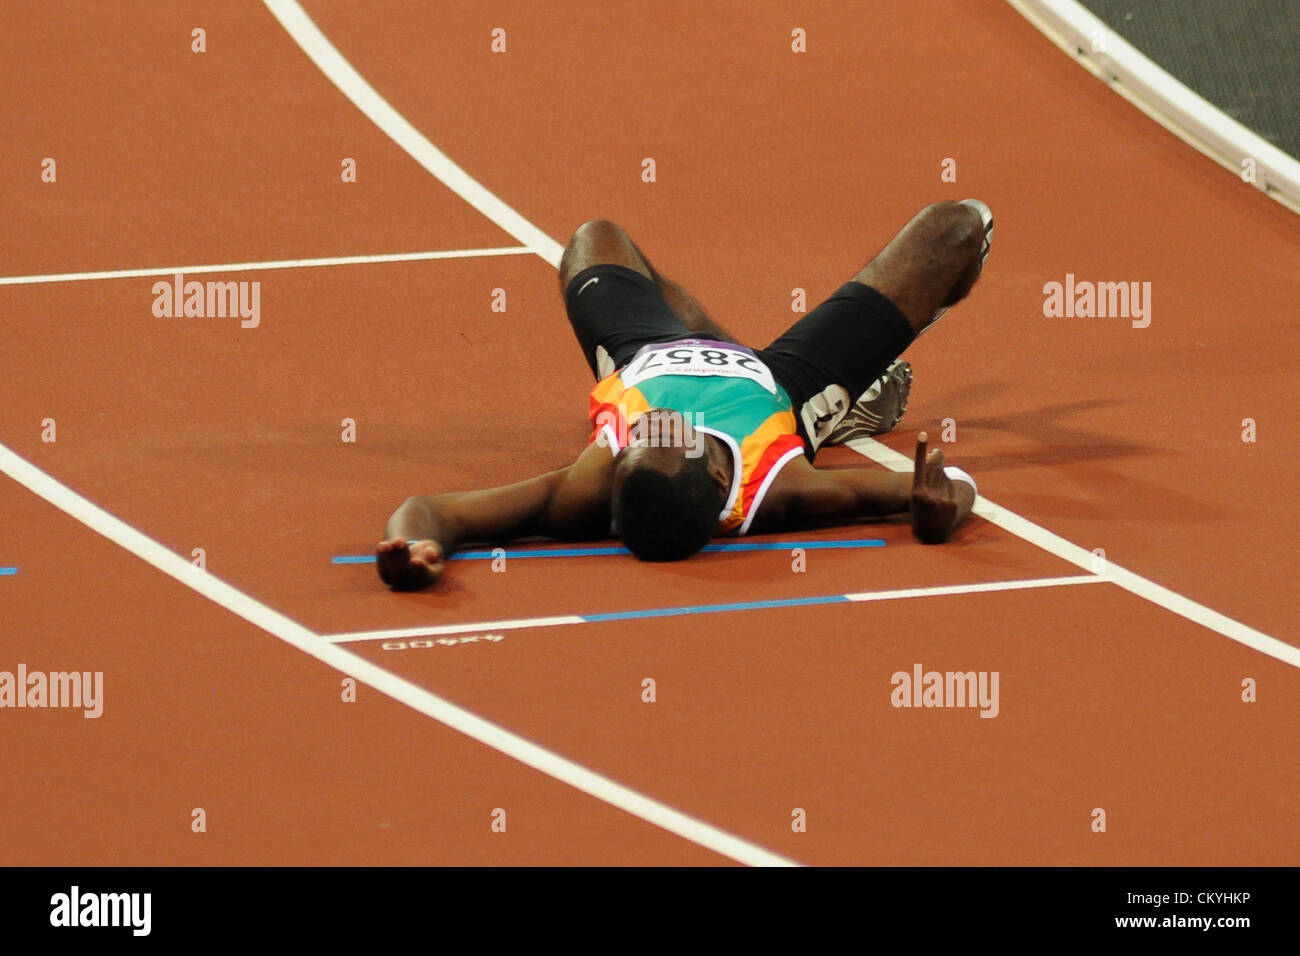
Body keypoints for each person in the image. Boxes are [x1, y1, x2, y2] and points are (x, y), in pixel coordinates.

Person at [377, 200, 993, 590]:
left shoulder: (588, 485)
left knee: (595, 237)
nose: (663, 420)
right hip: (787, 381)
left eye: (646, 435)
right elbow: (947, 488)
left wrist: (415, 547)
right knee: (960, 228)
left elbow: (435, 509)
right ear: (722, 471)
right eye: (675, 434)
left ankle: (814, 392)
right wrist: (942, 510)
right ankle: (836, 411)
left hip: (643, 351)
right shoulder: (781, 487)